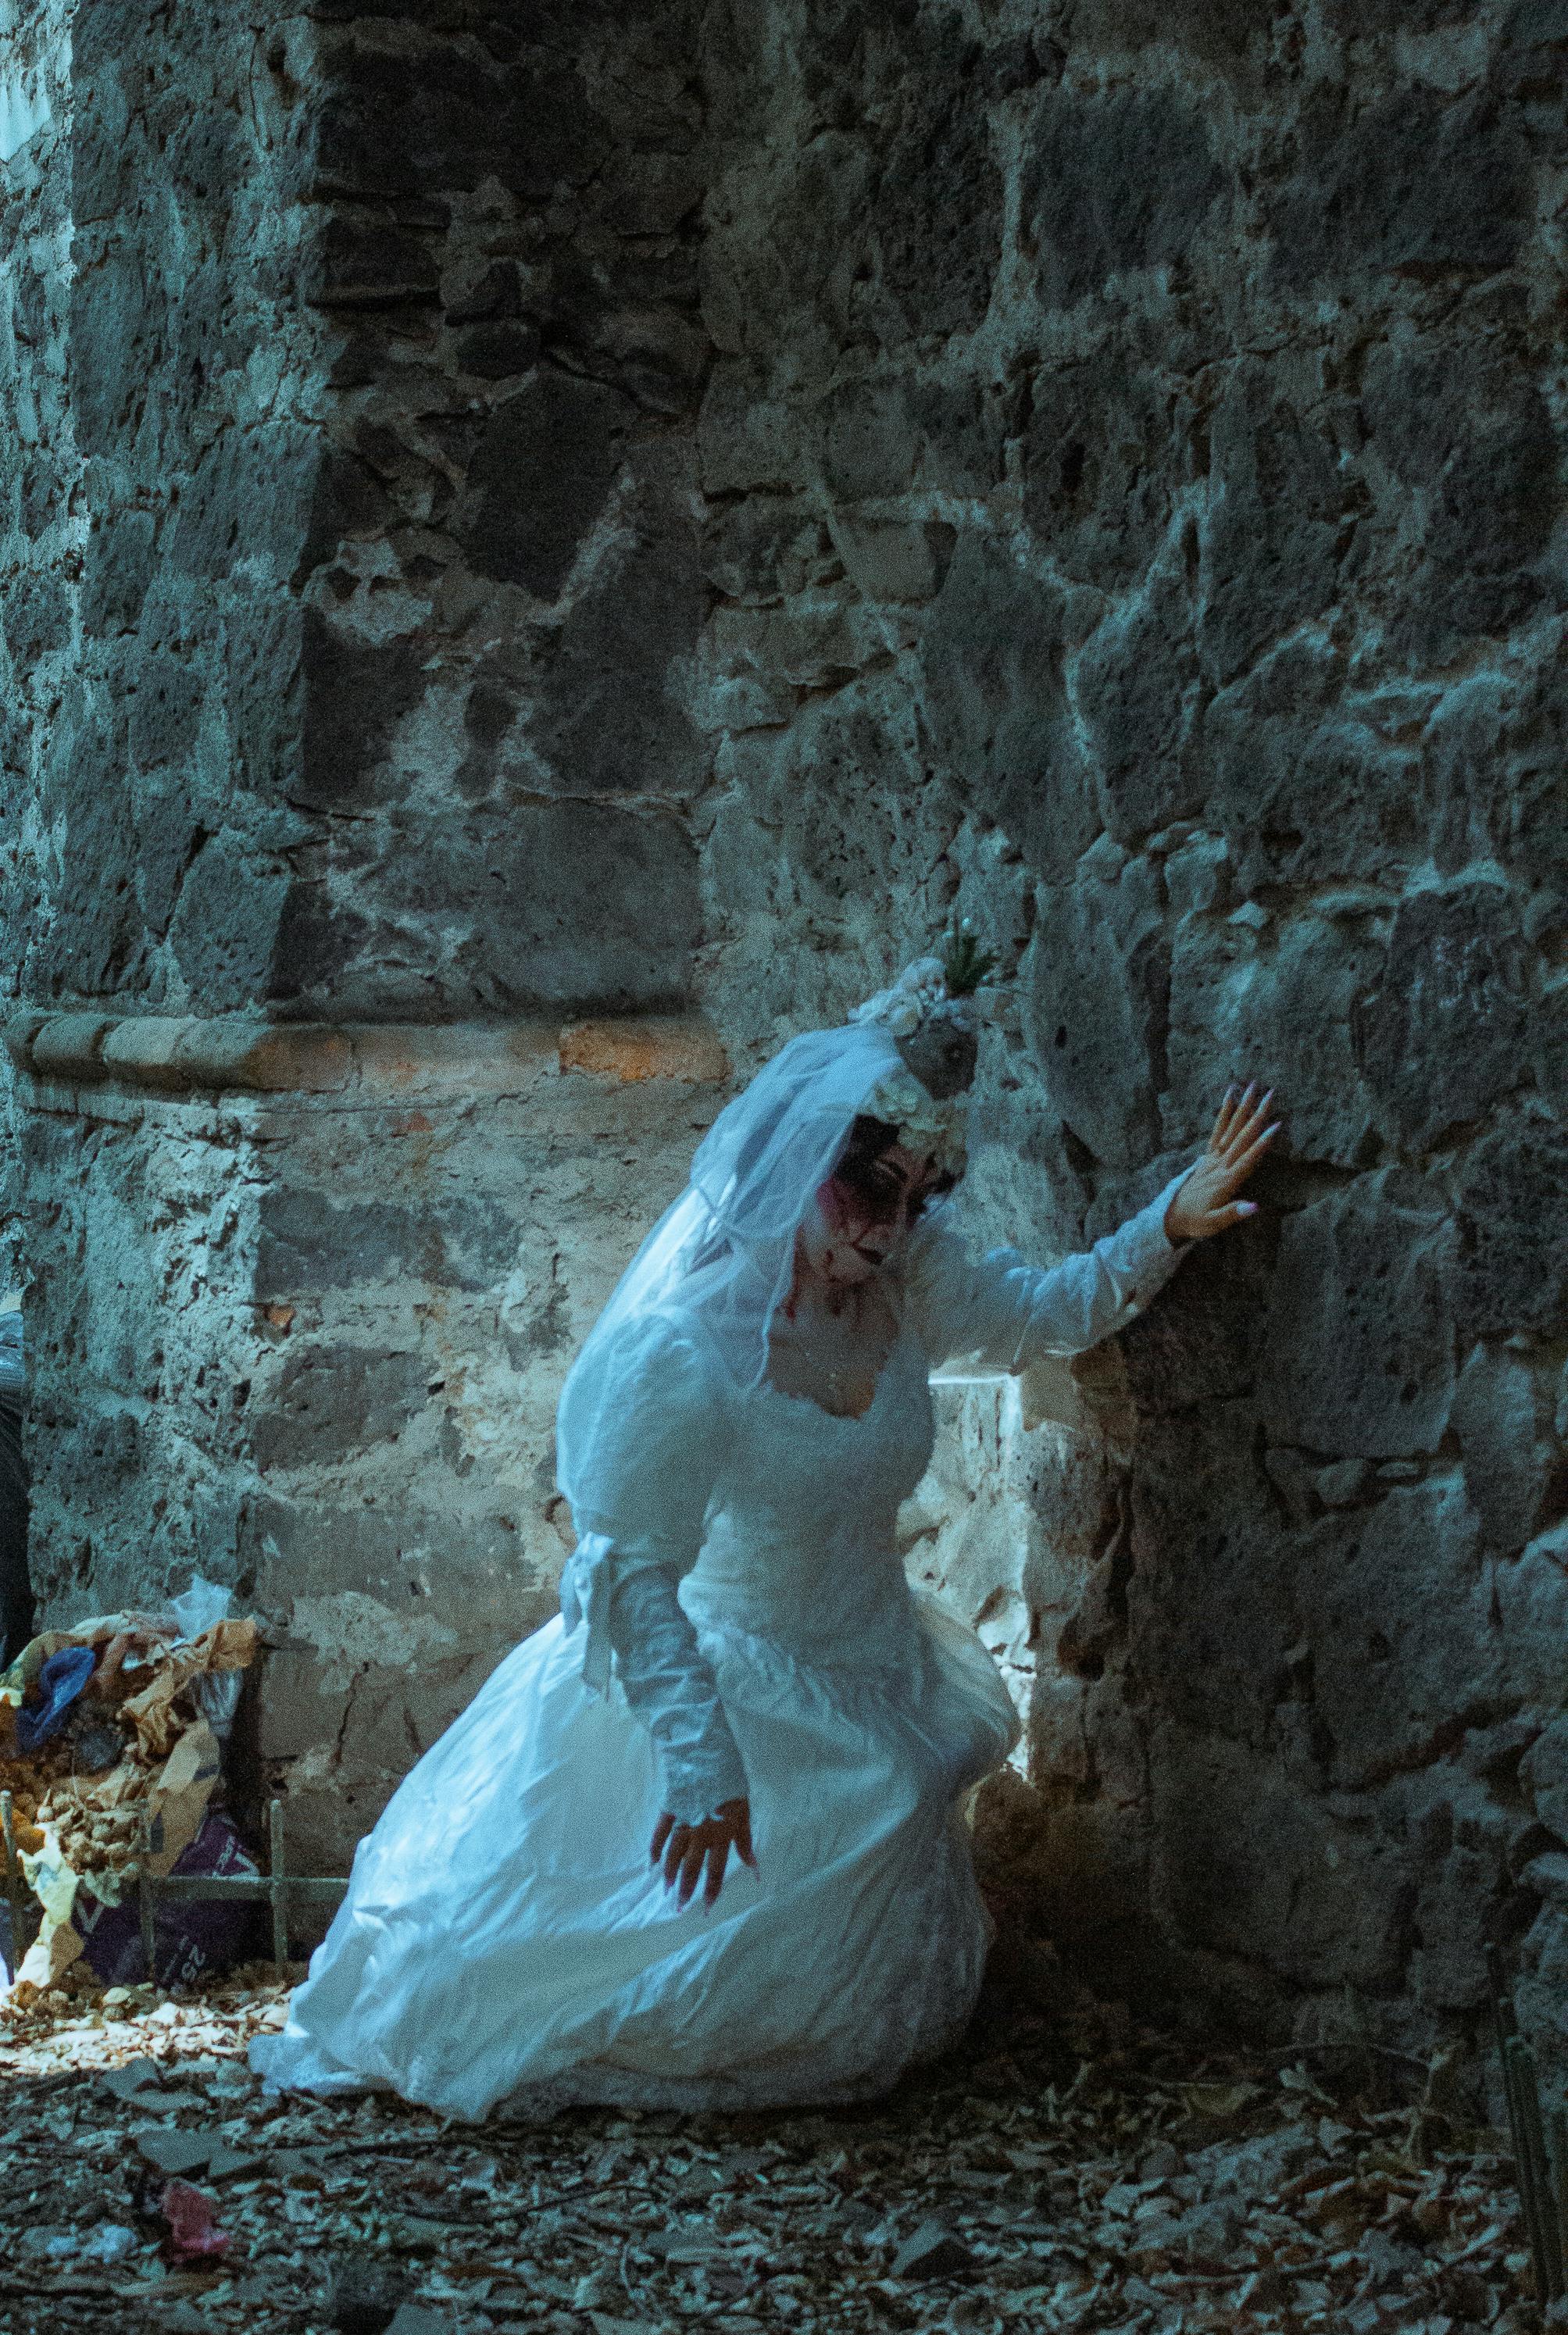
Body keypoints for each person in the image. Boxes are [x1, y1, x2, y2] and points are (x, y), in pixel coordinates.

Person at [251, 952, 1279, 2120]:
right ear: (800, 1161)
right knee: (666, 1913)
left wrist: (1171, 1223)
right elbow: (634, 1573)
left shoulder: (909, 1279)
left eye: (918, 1194)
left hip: (870, 1657)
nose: (890, 1229)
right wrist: (701, 1763)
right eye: (869, 1190)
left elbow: (1044, 1311)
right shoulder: (684, 1352)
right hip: (719, 1669)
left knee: (892, 1799)